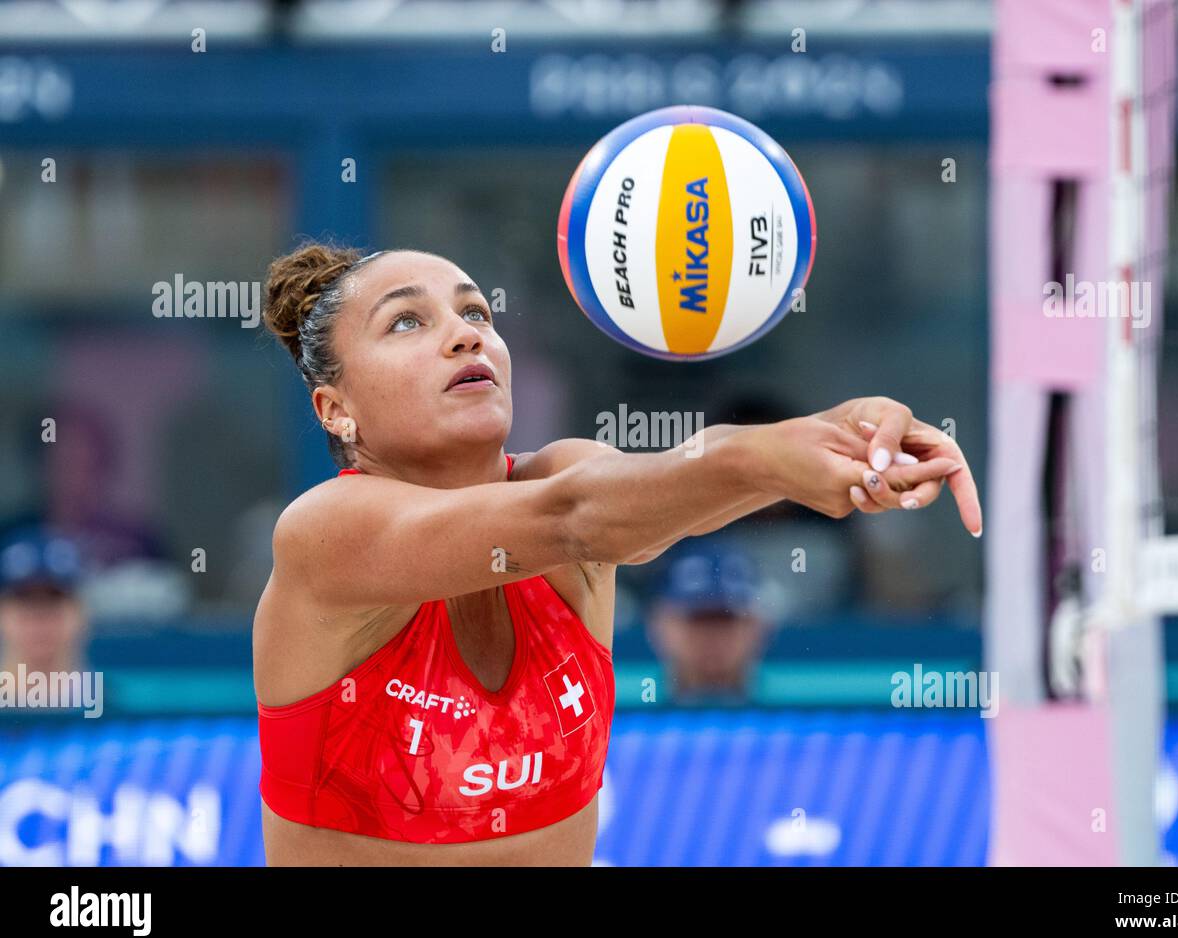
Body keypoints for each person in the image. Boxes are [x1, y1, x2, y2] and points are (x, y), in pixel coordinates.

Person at [254, 242, 982, 866]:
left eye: (476, 313)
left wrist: (830, 435)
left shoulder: (562, 474)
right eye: (407, 321)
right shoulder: (326, 532)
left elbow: (659, 482)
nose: (464, 335)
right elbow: (578, 518)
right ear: (334, 409)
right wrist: (774, 460)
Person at [647, 539, 771, 705]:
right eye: (698, 620)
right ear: (661, 626)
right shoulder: (617, 706)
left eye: (725, 620)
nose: (712, 637)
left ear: (757, 627)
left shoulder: (798, 705)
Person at [0, 527, 89, 679]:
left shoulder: (115, 700)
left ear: (81, 612)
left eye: (53, 600)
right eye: (25, 602)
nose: (39, 618)